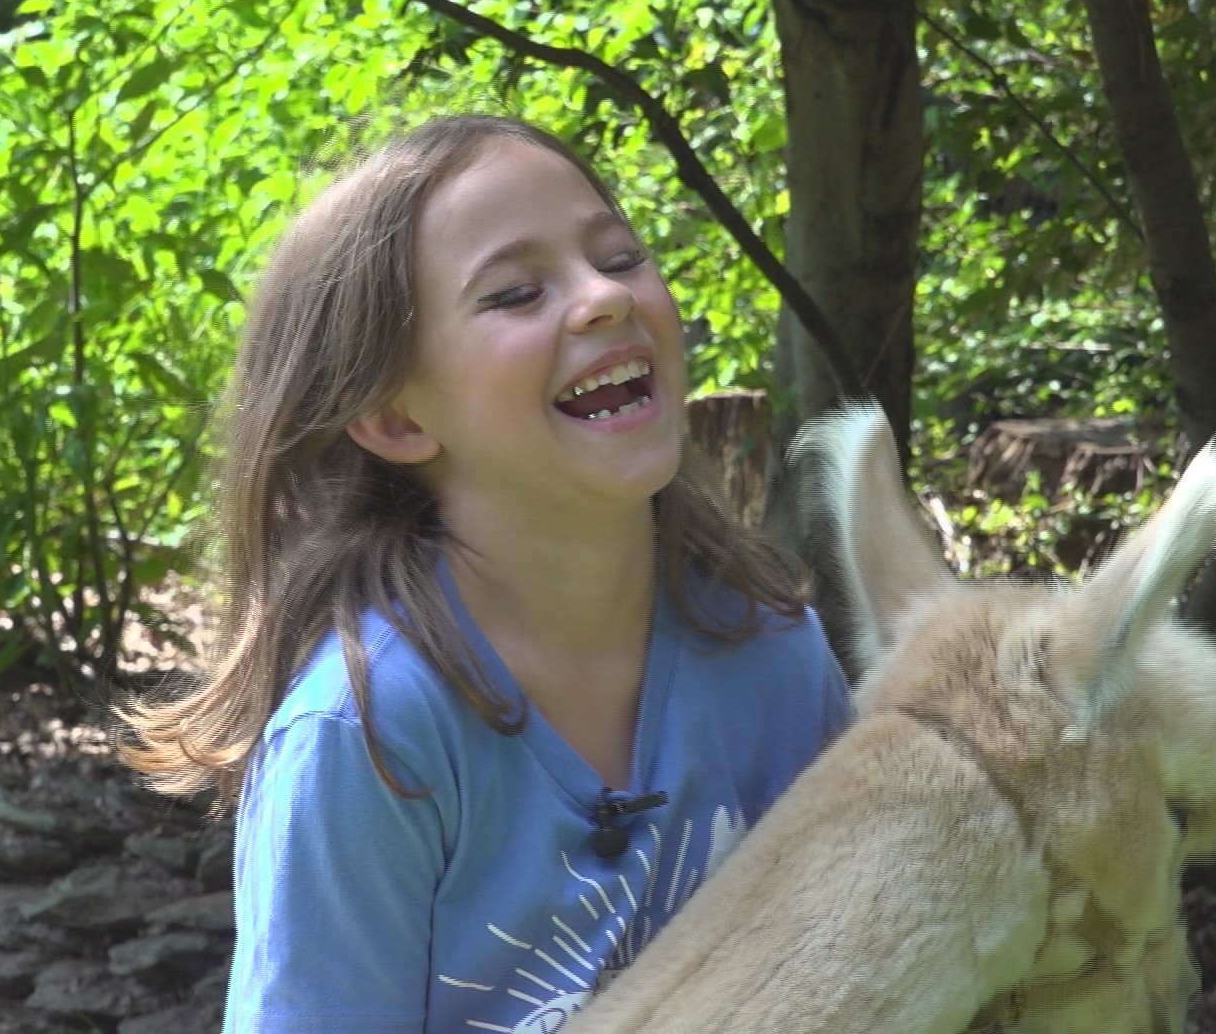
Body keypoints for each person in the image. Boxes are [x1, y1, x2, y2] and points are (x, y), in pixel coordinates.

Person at [119, 114, 853, 1033]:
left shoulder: (774, 656)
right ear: (393, 419)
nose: (603, 298)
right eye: (515, 294)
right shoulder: (368, 734)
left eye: (621, 257)